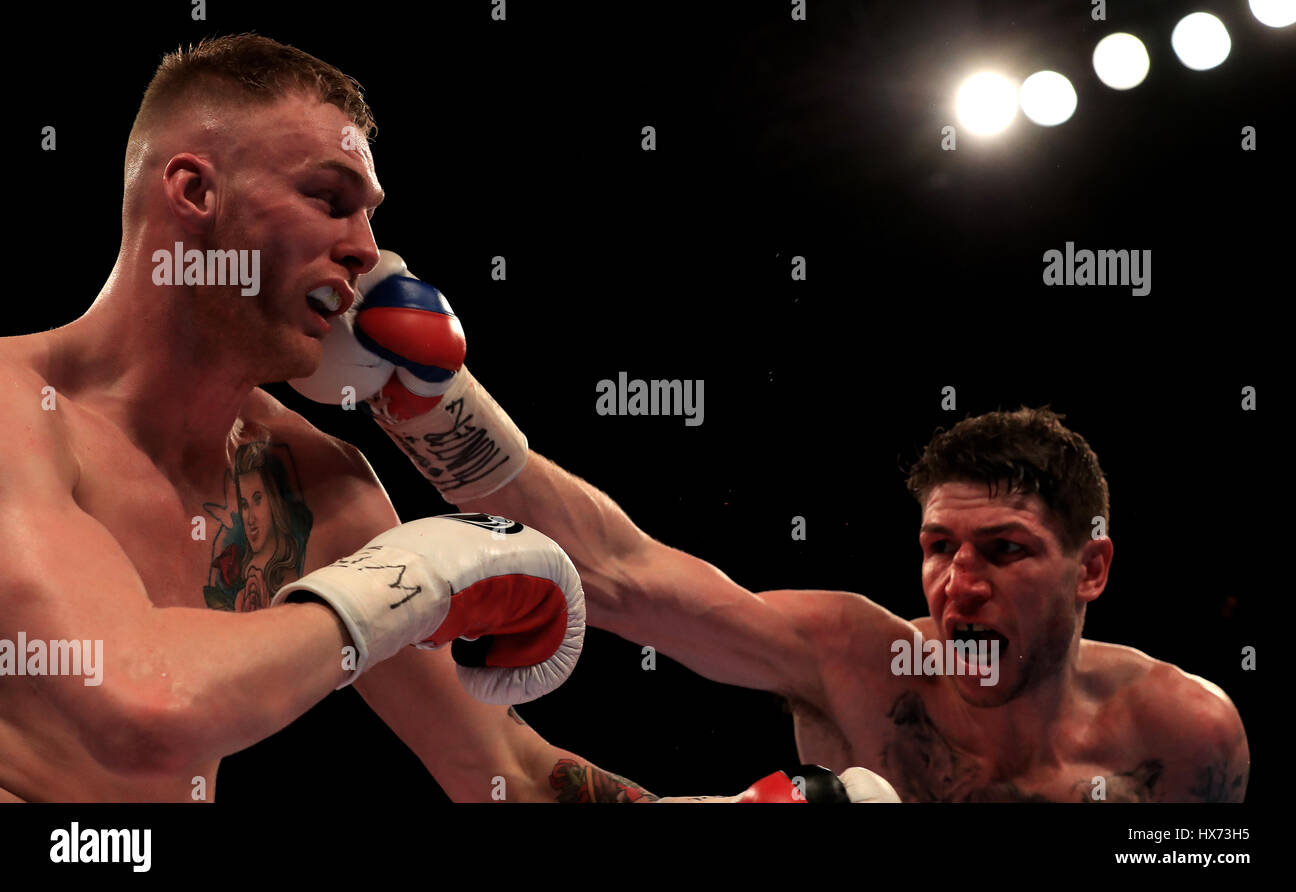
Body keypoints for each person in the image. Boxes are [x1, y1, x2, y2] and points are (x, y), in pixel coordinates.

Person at [1, 33, 849, 804]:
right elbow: (143, 710)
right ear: (193, 191)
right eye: (330, 199)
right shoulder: (15, 409)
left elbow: (506, 774)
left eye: (371, 212)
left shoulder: (312, 479)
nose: (368, 248)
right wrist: (407, 581)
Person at [314, 254, 1250, 801]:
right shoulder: (855, 660)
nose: (959, 586)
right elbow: (618, 572)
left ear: (1091, 569)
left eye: (1005, 551)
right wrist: (436, 406)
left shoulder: (1184, 736)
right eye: (938, 548)